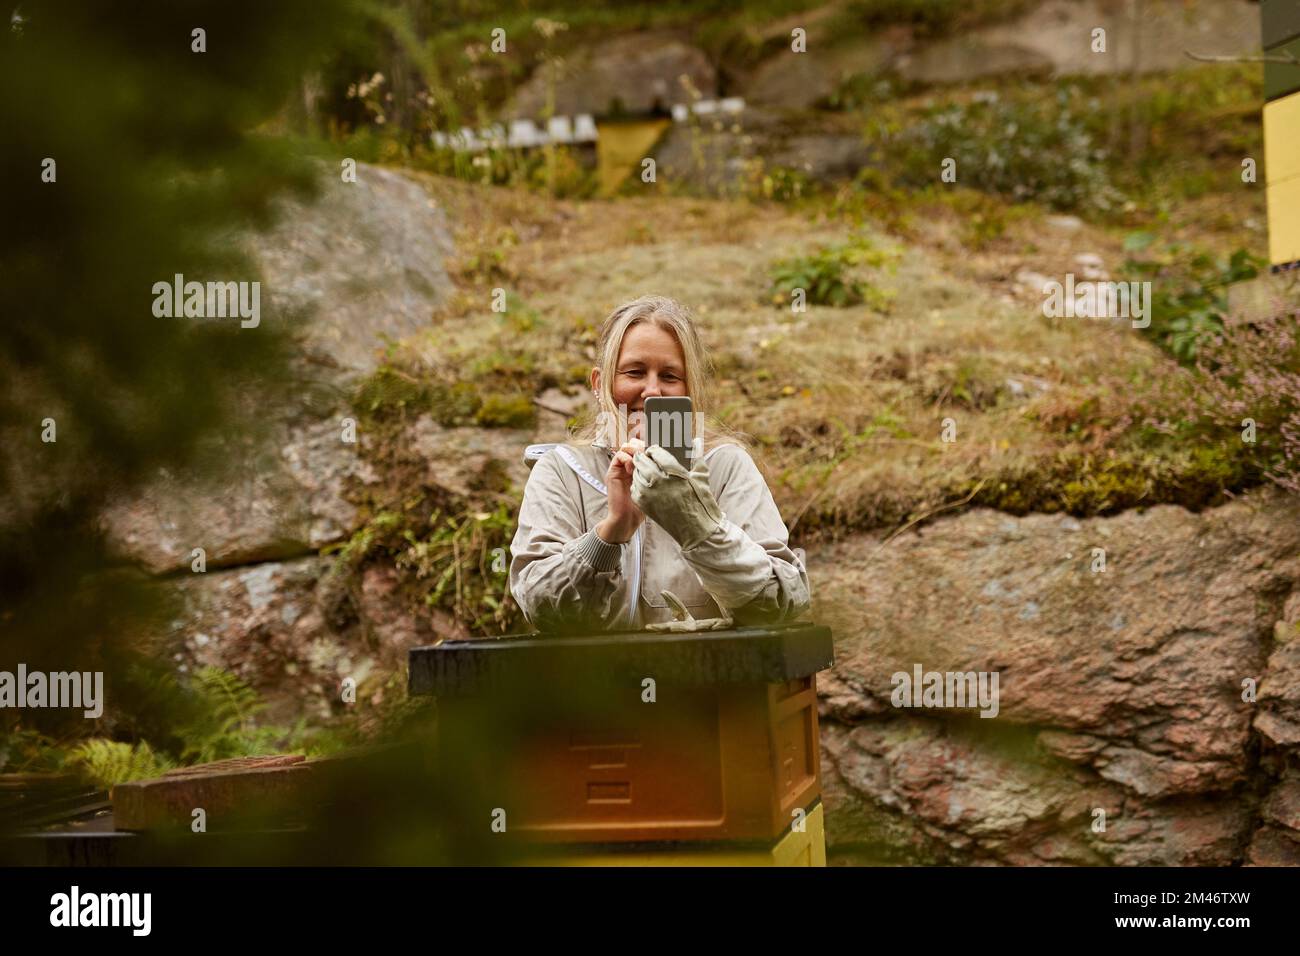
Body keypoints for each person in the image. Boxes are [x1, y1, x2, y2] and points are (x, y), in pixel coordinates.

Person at [508, 294, 811, 633]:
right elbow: (540, 608)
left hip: (713, 678)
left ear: (689, 389)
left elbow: (785, 600)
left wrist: (696, 524)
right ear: (600, 383)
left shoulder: (726, 466)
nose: (652, 391)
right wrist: (611, 532)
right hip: (593, 684)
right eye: (635, 372)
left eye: (669, 376)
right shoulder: (562, 471)